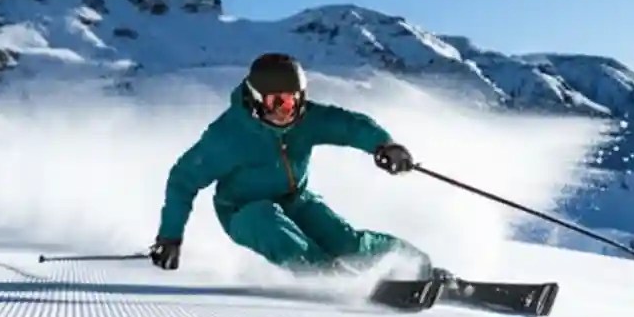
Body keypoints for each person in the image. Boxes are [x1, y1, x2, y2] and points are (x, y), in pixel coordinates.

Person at [149, 52, 434, 276]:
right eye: (277, 102)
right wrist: (170, 237)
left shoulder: (306, 120)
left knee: (347, 244)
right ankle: (327, 277)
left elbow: (348, 125)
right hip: (242, 212)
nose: (286, 111)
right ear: (257, 99)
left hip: (297, 200)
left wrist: (384, 145)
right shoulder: (229, 135)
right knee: (269, 223)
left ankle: (415, 265)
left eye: (292, 101)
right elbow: (183, 179)